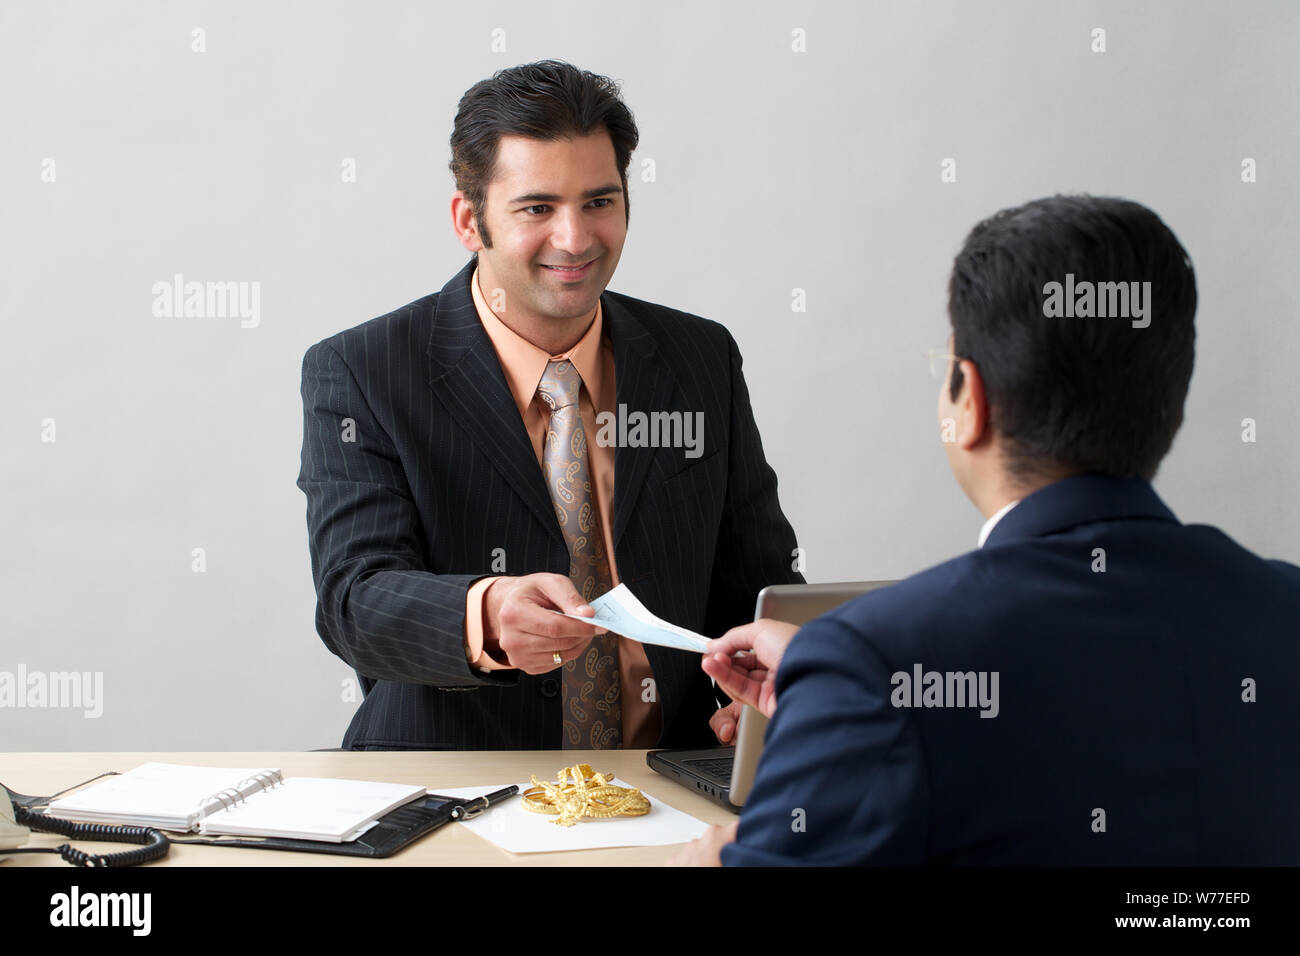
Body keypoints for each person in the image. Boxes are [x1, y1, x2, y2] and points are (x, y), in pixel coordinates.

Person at [669, 194, 1300, 864]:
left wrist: (712, 855)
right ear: (1170, 401)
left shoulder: (877, 663)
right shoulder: (1282, 613)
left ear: (970, 400)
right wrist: (831, 686)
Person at [296, 60, 803, 751]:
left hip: (667, 783)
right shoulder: (363, 371)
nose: (575, 239)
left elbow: (758, 582)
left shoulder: (699, 358)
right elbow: (354, 601)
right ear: (469, 221)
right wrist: (486, 613)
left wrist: (769, 691)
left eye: (600, 202)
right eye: (537, 208)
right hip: (453, 783)